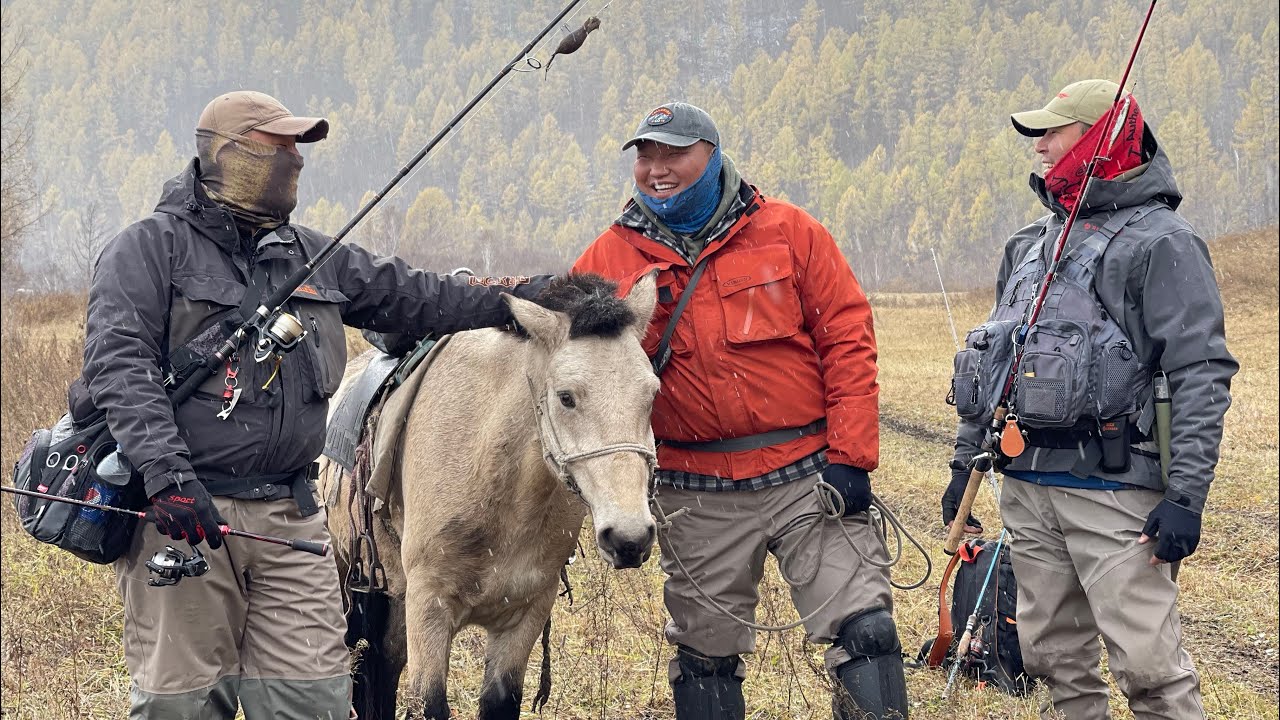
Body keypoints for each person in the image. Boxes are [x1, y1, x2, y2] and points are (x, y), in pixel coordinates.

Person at [84, 90, 548, 719]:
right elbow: (120, 368)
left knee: (313, 700)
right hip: (186, 517)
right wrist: (166, 477)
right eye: (280, 146)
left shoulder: (314, 256)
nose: (295, 161)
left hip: (290, 515)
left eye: (297, 147)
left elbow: (420, 297)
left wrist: (528, 299)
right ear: (229, 153)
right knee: (184, 703)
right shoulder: (146, 250)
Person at [573, 102, 908, 720]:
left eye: (673, 153)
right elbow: (572, 375)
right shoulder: (606, 261)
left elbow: (847, 335)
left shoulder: (789, 230)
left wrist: (852, 458)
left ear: (713, 153)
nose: (656, 169)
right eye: (645, 156)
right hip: (694, 491)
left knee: (866, 634)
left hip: (808, 477)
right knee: (706, 659)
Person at [942, 79, 1237, 719]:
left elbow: (1200, 372)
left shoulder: (1164, 242)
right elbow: (996, 365)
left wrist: (1186, 497)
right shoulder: (1027, 244)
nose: (1040, 146)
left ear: (1101, 136)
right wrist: (967, 461)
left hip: (1116, 494)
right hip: (1025, 485)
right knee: (1053, 666)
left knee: (1151, 673)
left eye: (1054, 130)